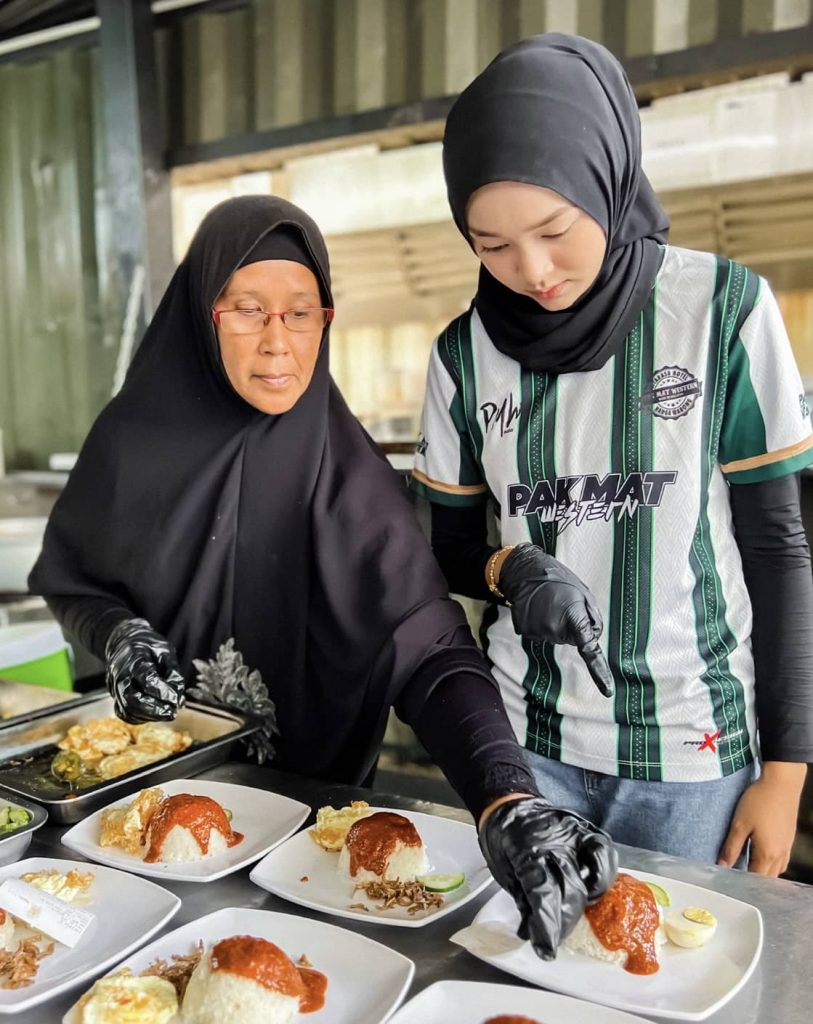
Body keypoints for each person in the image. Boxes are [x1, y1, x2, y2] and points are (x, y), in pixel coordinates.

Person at [29, 194, 617, 958]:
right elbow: (76, 581)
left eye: (301, 314)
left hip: (308, 843)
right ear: (203, 314)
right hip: (136, 817)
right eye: (247, 309)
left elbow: (430, 649)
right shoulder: (128, 441)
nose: (279, 343)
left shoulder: (343, 471)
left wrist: (505, 796)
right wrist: (119, 636)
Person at [412, 33, 813, 876]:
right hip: (526, 743)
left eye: (555, 230)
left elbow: (778, 548)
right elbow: (443, 547)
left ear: (609, 175)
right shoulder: (462, 354)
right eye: (490, 245)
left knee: (667, 986)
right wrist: (509, 567)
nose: (532, 270)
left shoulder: (723, 310)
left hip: (693, 756)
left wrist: (785, 771)